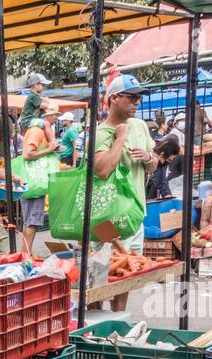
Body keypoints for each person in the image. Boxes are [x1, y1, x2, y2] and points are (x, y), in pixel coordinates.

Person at [94, 74, 158, 309]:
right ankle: (95, 331)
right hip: (105, 219)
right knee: (101, 277)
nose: (137, 102)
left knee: (127, 275)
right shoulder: (101, 133)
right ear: (114, 99)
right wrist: (120, 137)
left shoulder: (140, 126)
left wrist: (149, 158)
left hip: (135, 214)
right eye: (131, 97)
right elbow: (101, 170)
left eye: (138, 98)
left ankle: (117, 324)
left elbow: (154, 163)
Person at [20, 118, 57, 250]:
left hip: (32, 181)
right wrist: (49, 150)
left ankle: (24, 254)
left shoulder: (33, 130)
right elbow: (28, 154)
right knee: (32, 222)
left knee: (29, 221)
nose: (56, 118)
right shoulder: (37, 132)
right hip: (34, 182)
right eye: (55, 115)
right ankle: (25, 256)